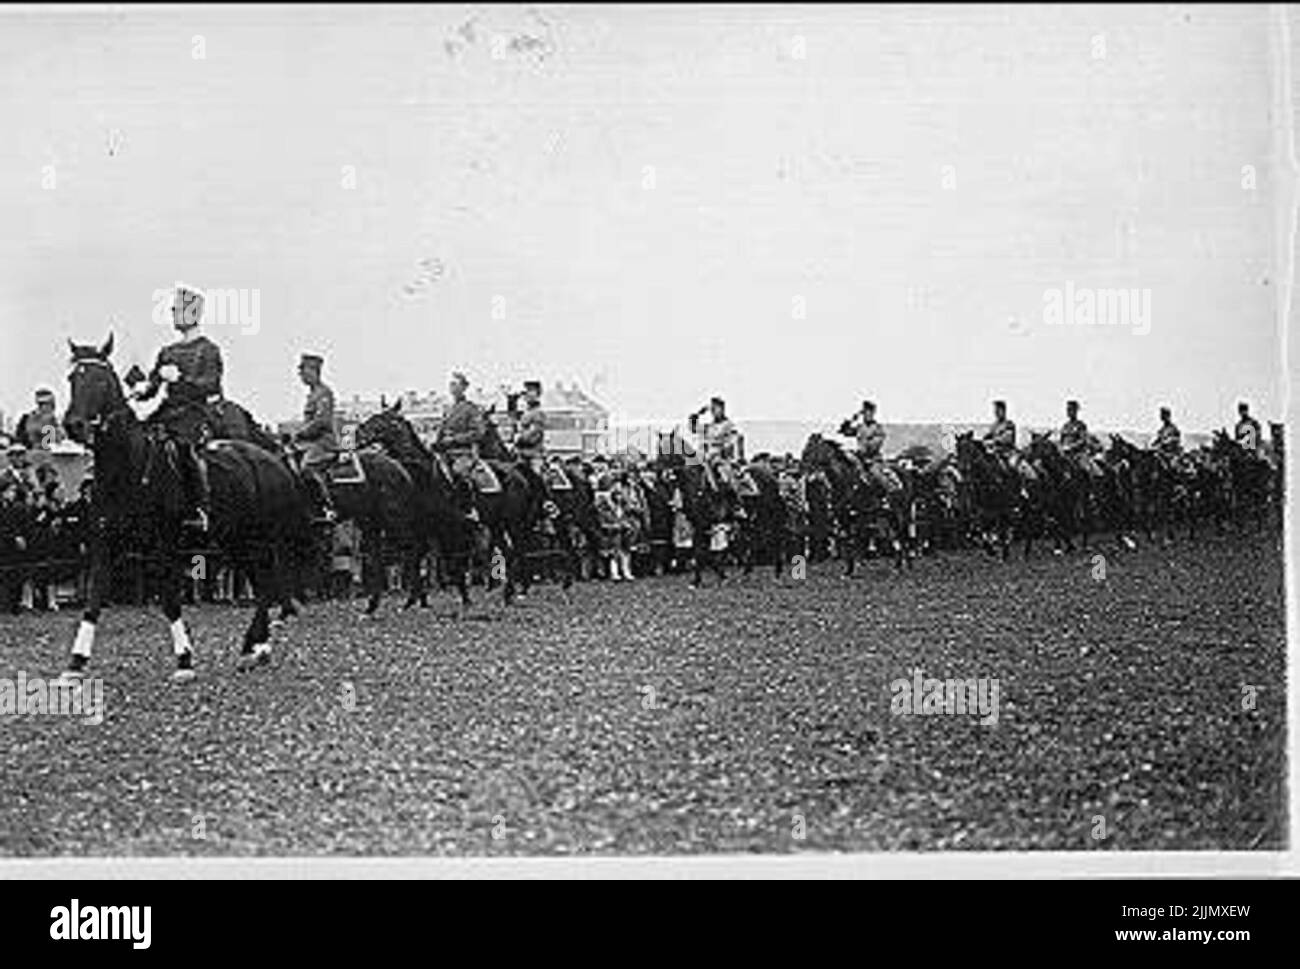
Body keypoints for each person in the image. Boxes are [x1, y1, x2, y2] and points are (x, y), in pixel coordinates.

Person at [131, 284, 223, 531]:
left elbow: (212, 386)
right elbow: (152, 386)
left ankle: (199, 508)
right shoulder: (167, 351)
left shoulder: (208, 350)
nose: (175, 315)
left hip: (193, 413)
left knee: (184, 448)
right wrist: (141, 389)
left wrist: (180, 380)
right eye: (174, 311)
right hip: (166, 411)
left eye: (180, 310)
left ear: (194, 313)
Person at [434, 372, 492, 520]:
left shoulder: (471, 409)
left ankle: (470, 509)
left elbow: (478, 433)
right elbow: (441, 432)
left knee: (459, 473)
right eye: (451, 384)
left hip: (463, 454)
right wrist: (435, 442)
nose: (452, 388)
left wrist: (454, 440)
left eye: (456, 384)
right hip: (444, 454)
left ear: (464, 388)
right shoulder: (448, 409)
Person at [293, 353, 338, 522]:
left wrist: (301, 433)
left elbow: (322, 421)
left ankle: (326, 507)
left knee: (307, 468)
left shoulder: (324, 393)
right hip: (308, 443)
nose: (301, 375)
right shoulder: (312, 394)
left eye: (304, 371)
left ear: (315, 371)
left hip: (323, 443)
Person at [839, 399, 902, 495]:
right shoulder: (860, 427)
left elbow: (876, 444)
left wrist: (865, 449)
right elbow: (844, 431)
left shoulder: (877, 428)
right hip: (860, 458)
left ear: (873, 413)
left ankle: (889, 495)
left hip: (872, 459)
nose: (866, 415)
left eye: (869, 413)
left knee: (876, 473)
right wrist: (853, 418)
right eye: (864, 413)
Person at [688, 396, 741, 505]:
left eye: (716, 409)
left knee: (725, 476)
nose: (713, 412)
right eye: (712, 410)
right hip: (705, 456)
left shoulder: (728, 425)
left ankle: (736, 504)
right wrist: (696, 415)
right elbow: (693, 429)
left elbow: (734, 439)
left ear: (722, 409)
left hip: (721, 457)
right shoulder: (709, 426)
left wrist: (724, 448)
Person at [1058, 400, 1103, 478]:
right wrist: (1061, 448)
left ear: (1076, 411)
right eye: (1068, 410)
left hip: (1078, 454)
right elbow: (1061, 440)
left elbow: (1083, 440)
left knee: (1086, 468)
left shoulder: (1081, 425)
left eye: (1071, 410)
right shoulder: (1065, 426)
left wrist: (1071, 447)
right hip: (1066, 455)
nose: (1069, 412)